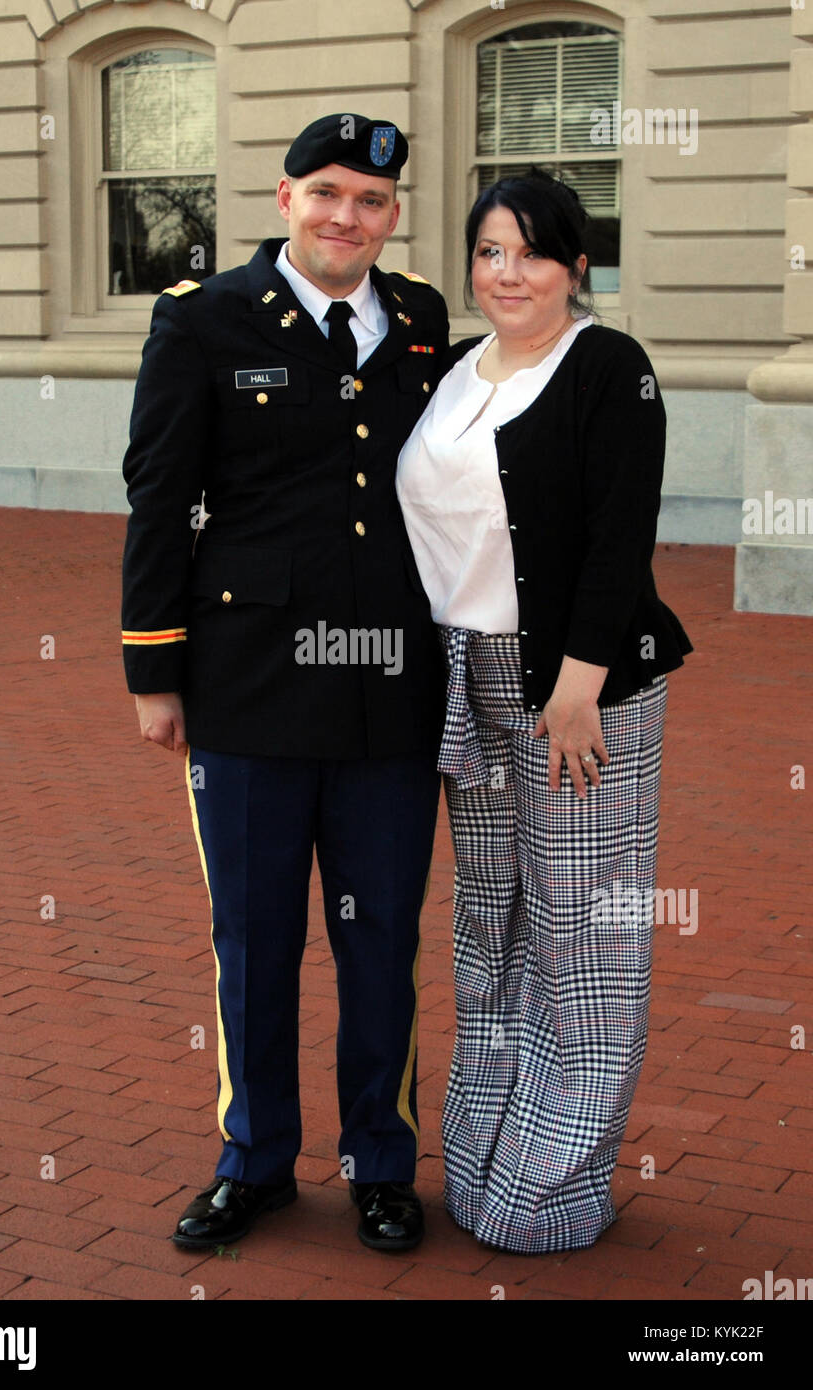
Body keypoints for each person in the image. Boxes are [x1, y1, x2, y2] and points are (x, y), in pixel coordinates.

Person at [120, 114, 450, 1252]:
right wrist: (153, 671)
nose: (344, 216)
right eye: (325, 193)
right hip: (251, 688)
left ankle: (379, 1161)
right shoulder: (201, 320)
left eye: (368, 199)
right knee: (254, 941)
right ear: (282, 198)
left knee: (381, 942)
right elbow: (159, 496)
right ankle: (254, 1161)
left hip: (389, 693)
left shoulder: (418, 320)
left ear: (391, 215)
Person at [395, 168, 693, 1253]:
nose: (505, 272)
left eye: (529, 250)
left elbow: (621, 533)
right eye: (487, 251)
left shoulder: (607, 367)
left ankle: (553, 1185)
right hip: (468, 682)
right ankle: (484, 1157)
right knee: (491, 924)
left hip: (574, 688)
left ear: (576, 263)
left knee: (581, 935)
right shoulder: (456, 369)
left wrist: (578, 685)